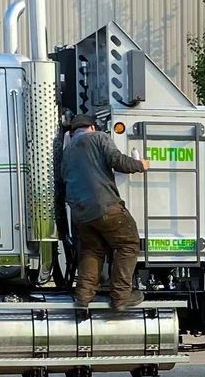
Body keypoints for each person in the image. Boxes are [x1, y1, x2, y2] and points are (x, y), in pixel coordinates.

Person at [61, 115, 147, 311]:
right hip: (105, 206)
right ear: (92, 126)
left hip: (80, 213)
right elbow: (117, 161)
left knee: (92, 250)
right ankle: (121, 297)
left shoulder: (67, 150)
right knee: (128, 244)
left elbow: (63, 178)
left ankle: (83, 296)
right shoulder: (99, 137)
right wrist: (140, 165)